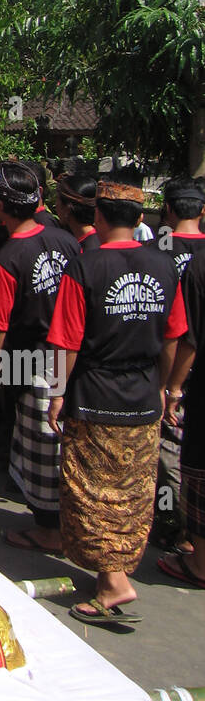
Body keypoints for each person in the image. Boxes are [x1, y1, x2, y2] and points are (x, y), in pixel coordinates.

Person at [47, 180, 186, 624]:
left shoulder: (84, 269)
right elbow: (172, 338)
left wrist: (57, 394)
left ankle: (113, 582)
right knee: (133, 491)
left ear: (100, 219)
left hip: (94, 394)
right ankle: (118, 568)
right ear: (141, 220)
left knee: (91, 490)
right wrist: (164, 388)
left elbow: (67, 343)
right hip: (144, 395)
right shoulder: (165, 267)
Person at [0, 162, 79, 554]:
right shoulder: (66, 241)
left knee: (39, 445)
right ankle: (68, 522)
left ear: (0, 205)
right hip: (71, 355)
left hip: (32, 361)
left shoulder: (8, 258)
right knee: (65, 443)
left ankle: (49, 530)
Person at [159, 248, 205, 589]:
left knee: (197, 466)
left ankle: (199, 561)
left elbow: (186, 337)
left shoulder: (199, 265)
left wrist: (172, 387)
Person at [54, 171, 100, 253]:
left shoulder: (87, 250)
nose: (55, 205)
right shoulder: (98, 238)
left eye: (57, 199)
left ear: (68, 208)